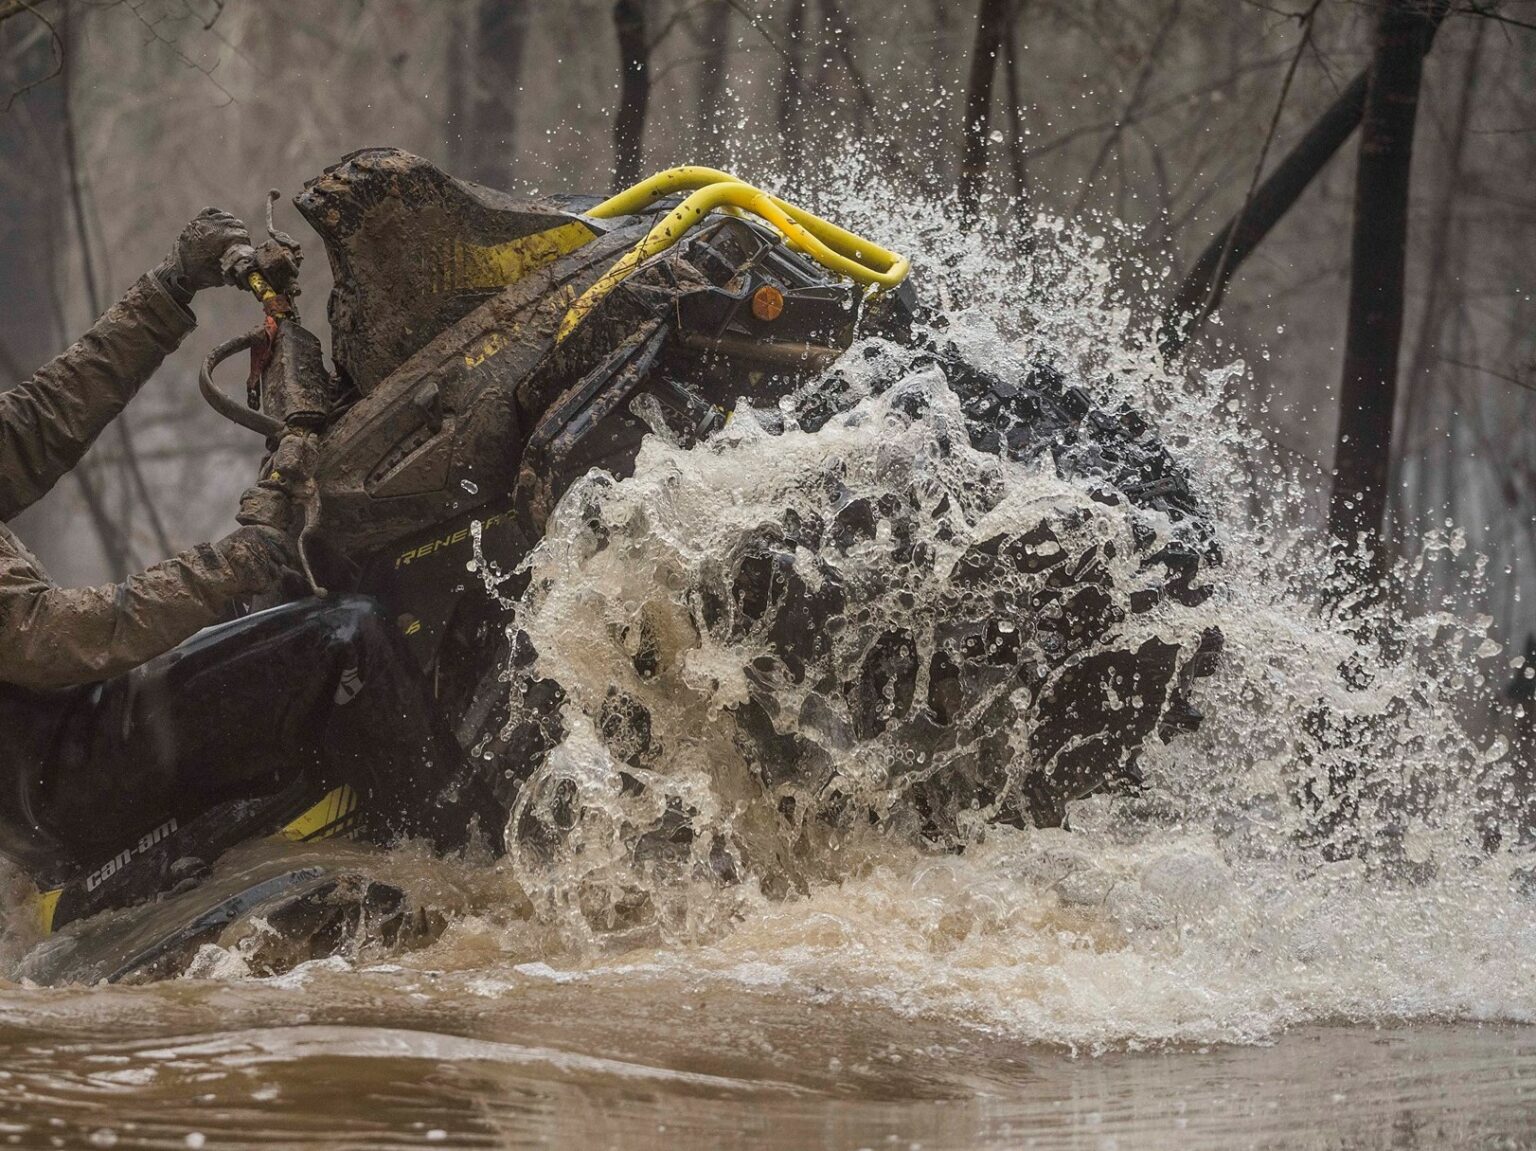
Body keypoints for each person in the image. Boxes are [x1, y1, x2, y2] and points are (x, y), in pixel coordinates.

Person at [0, 211, 465, 921]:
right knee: (346, 636)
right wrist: (236, 560)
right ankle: (476, 872)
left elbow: (44, 416)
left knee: (306, 579)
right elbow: (46, 633)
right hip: (72, 769)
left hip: (62, 752)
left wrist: (170, 286)